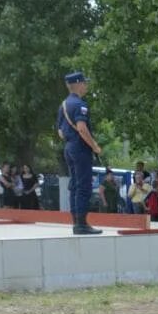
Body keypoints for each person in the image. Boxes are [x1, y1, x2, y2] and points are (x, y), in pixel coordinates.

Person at [55, 71, 103, 234]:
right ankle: (82, 224)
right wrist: (94, 146)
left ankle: (76, 221)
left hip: (69, 147)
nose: (86, 85)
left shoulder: (64, 105)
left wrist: (71, 137)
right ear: (78, 84)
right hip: (80, 148)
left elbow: (60, 132)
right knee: (83, 186)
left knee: (74, 185)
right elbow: (82, 128)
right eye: (84, 82)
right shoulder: (80, 104)